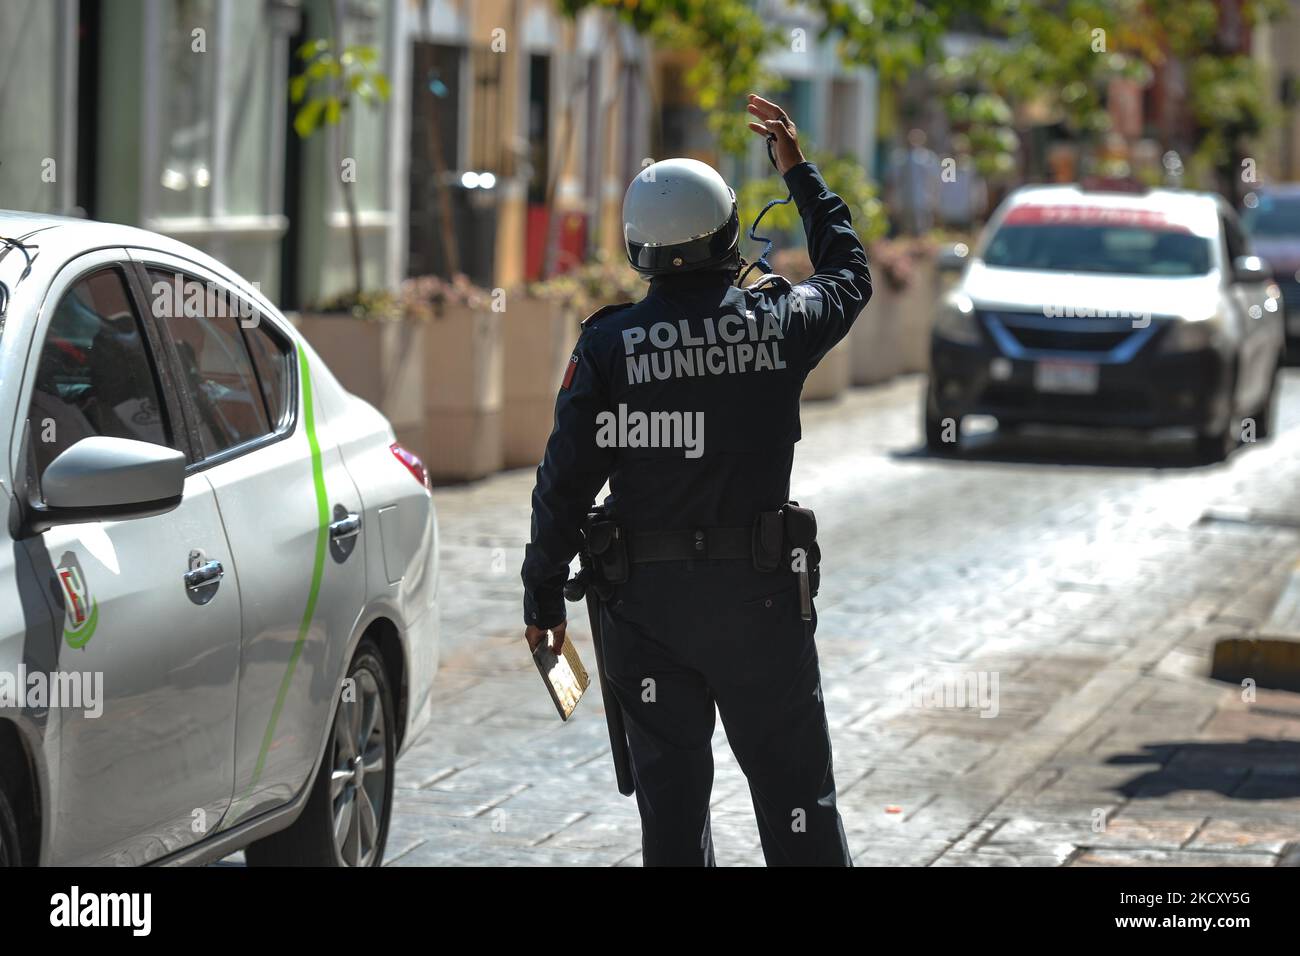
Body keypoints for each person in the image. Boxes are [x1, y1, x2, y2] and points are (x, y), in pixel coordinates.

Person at [521, 94, 871, 866]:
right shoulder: (777, 322)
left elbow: (565, 479)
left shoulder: (610, 346)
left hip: (647, 616)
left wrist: (542, 592)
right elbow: (849, 274)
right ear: (725, 232)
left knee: (672, 822)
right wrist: (800, 173)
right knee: (798, 809)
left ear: (638, 246)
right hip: (761, 605)